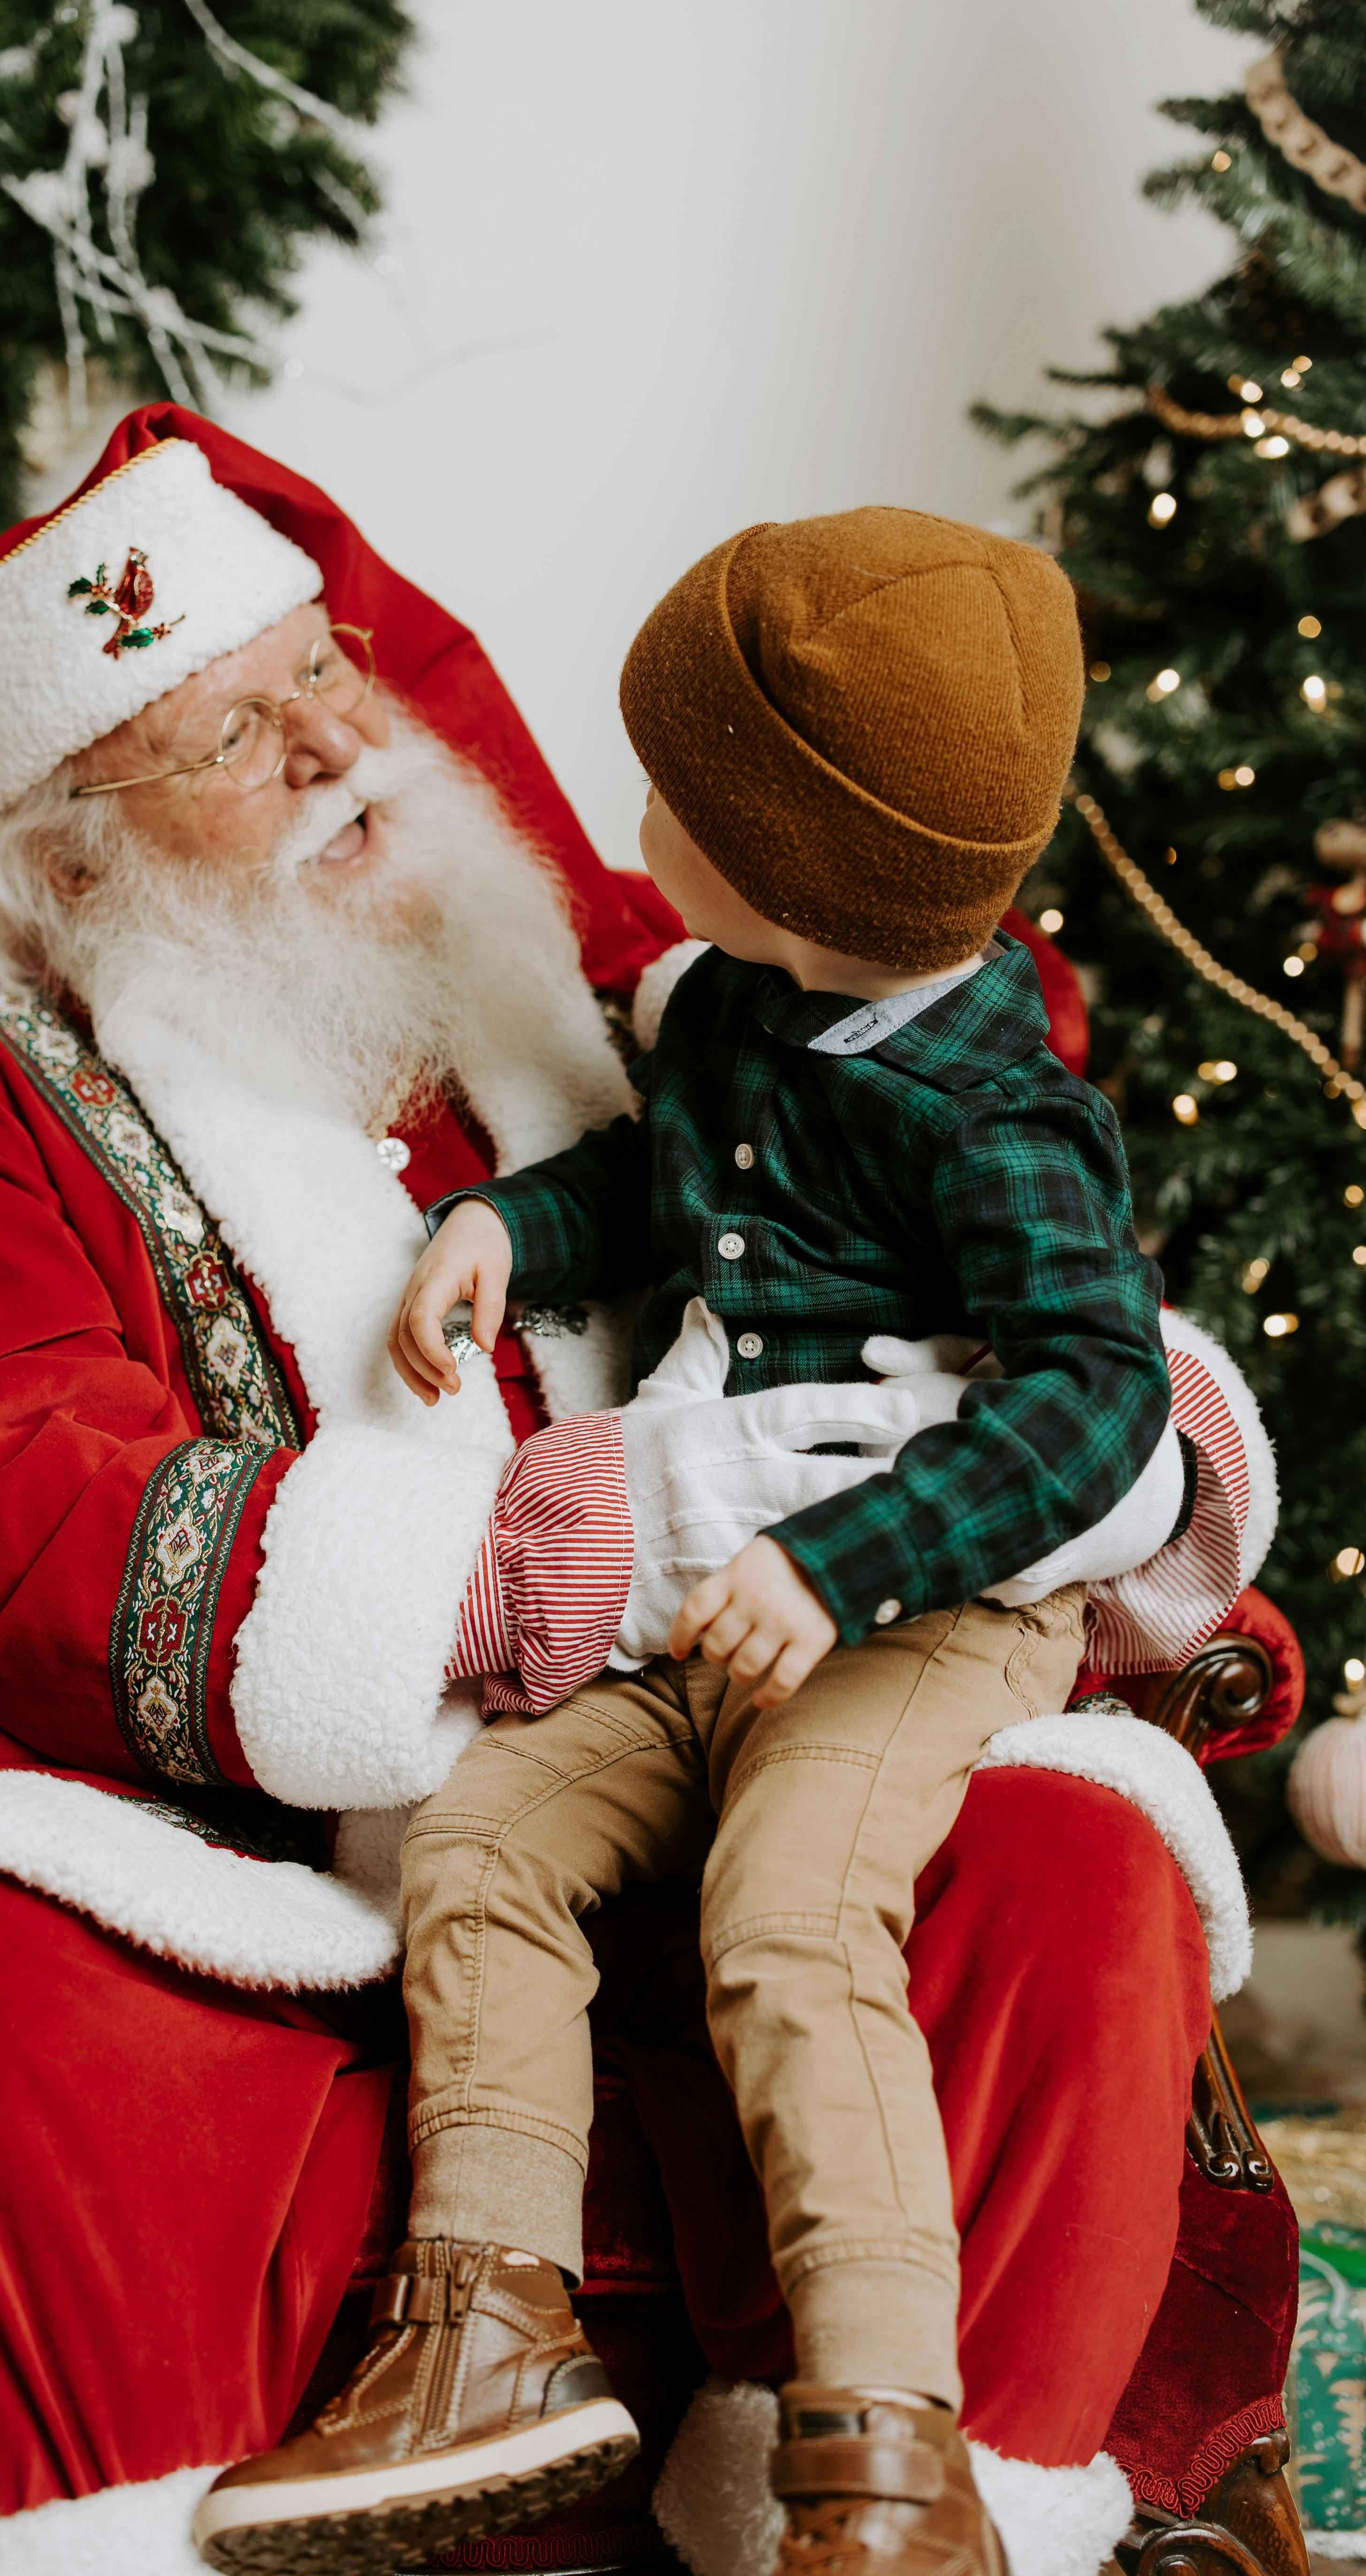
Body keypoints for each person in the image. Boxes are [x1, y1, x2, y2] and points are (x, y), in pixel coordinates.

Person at [0, 417, 1269, 2576]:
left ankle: (903, 2498)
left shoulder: (586, 970)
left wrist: (963, 1468)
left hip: (798, 1656)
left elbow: (979, 1277)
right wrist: (518, 1570)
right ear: (66, 861)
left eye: (327, 662)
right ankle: (403, 2383)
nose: (343, 738)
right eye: (237, 731)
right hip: (314, 1801)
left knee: (1068, 1862)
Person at [193, 511, 1182, 2576]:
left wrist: (845, 1565)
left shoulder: (996, 1110)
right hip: (717, 1597)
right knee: (481, 1842)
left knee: (790, 1918)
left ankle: (891, 2459)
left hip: (922, 1605)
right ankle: (491, 2324)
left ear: (803, 856)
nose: (633, 815)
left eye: (678, 790)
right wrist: (506, 1225)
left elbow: (1099, 1401)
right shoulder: (732, 1000)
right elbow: (662, 1189)